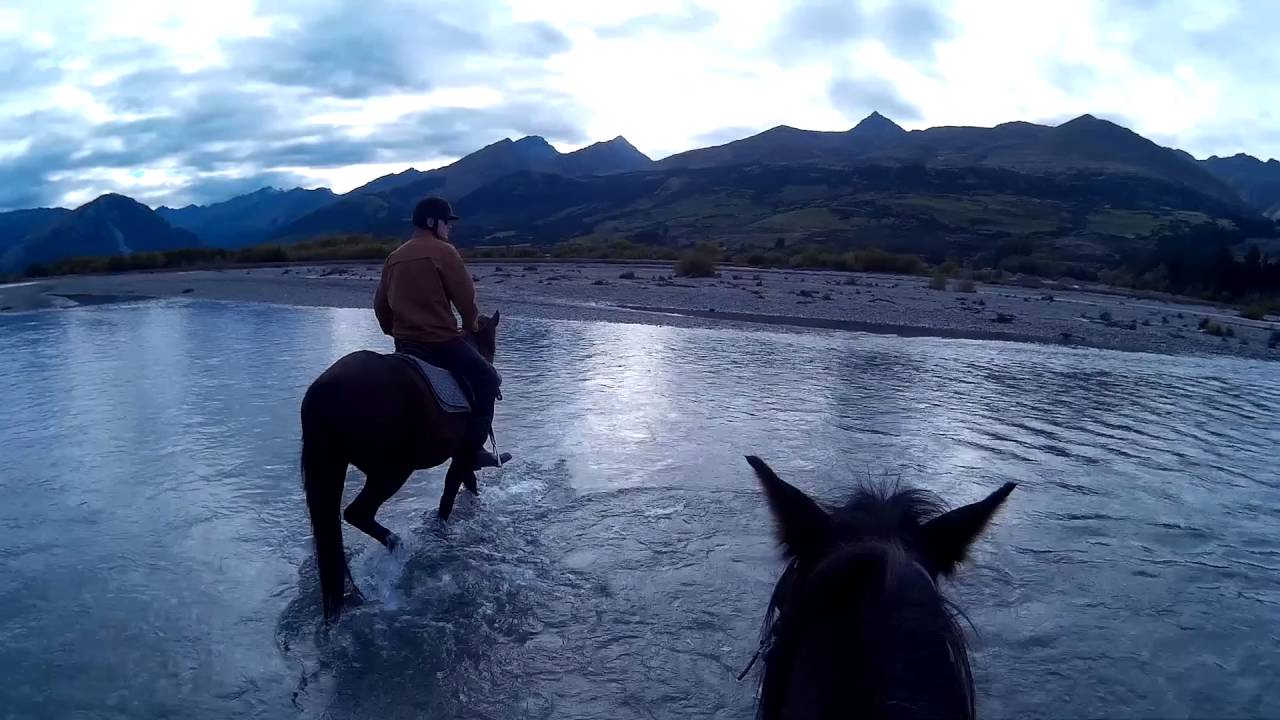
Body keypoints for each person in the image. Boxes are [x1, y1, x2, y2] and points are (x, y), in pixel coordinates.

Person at [374, 196, 503, 474]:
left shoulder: (393, 257)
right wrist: (471, 325)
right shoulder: (444, 251)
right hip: (440, 342)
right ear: (433, 222)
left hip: (405, 344)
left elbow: (381, 308)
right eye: (447, 222)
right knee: (488, 379)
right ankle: (473, 451)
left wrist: (395, 332)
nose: (450, 228)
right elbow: (466, 301)